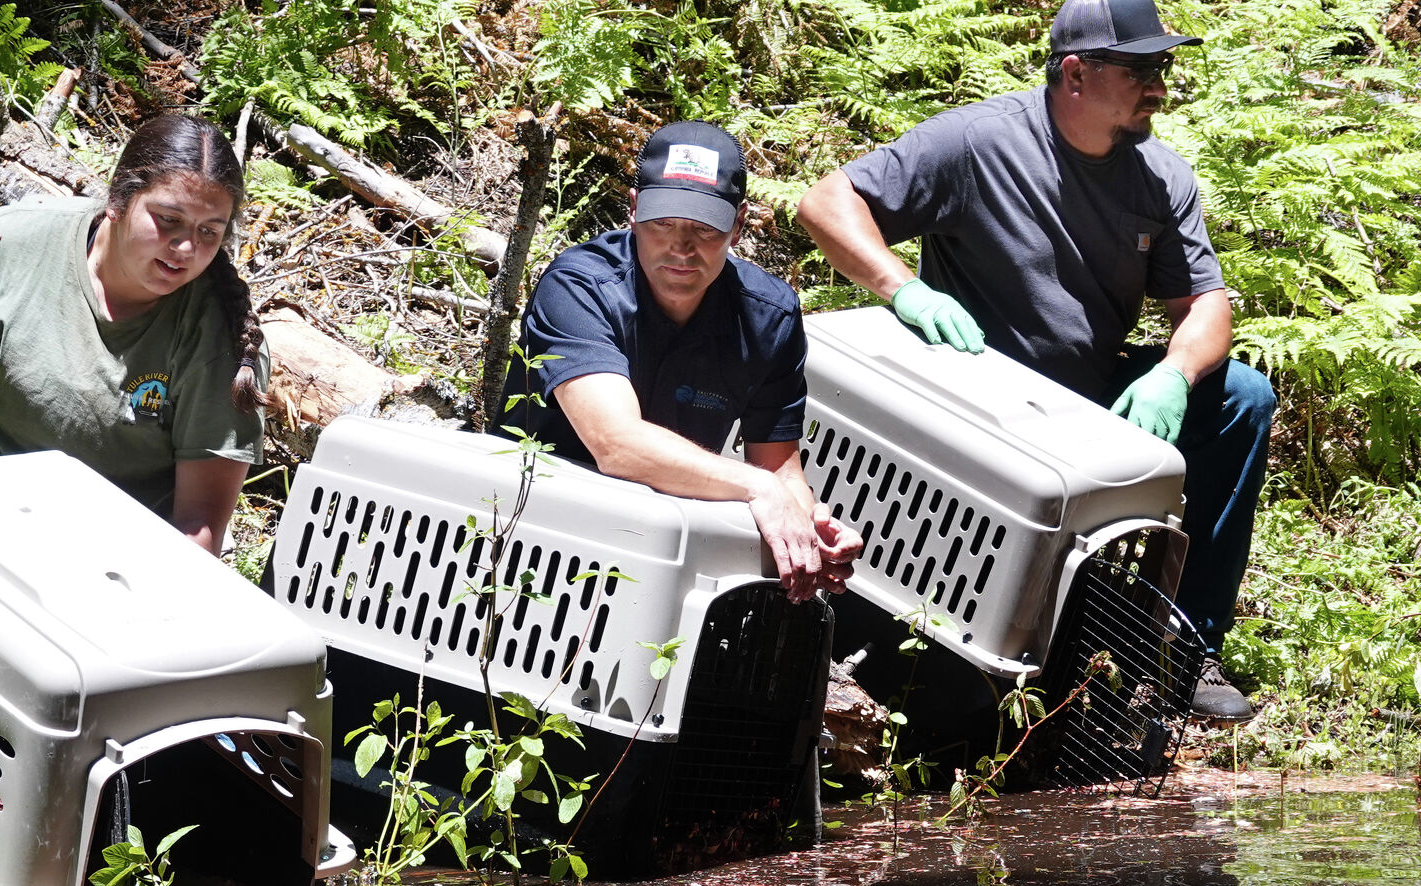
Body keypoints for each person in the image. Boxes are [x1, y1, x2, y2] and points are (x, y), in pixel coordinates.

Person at [795, 0, 1274, 721]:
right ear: (1075, 74)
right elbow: (826, 202)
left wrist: (1173, 372)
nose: (1160, 88)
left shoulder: (1159, 178)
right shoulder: (976, 143)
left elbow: (1205, 308)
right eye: (1142, 69)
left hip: (1086, 402)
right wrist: (905, 290)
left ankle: (1181, 650)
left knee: (1241, 399)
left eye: (1164, 67)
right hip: (976, 393)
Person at [498, 122, 862, 602]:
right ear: (632, 211)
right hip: (531, 525)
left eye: (704, 227)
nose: (681, 246)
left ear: (738, 224)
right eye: (662, 222)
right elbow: (616, 444)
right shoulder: (579, 287)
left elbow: (778, 471)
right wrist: (760, 490)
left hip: (662, 549)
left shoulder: (768, 317)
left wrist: (804, 528)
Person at [0, 113, 268, 557]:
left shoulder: (220, 337)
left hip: (90, 558)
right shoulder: (13, 240)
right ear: (118, 200)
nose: (186, 249)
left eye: (209, 231)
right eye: (168, 219)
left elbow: (198, 526)